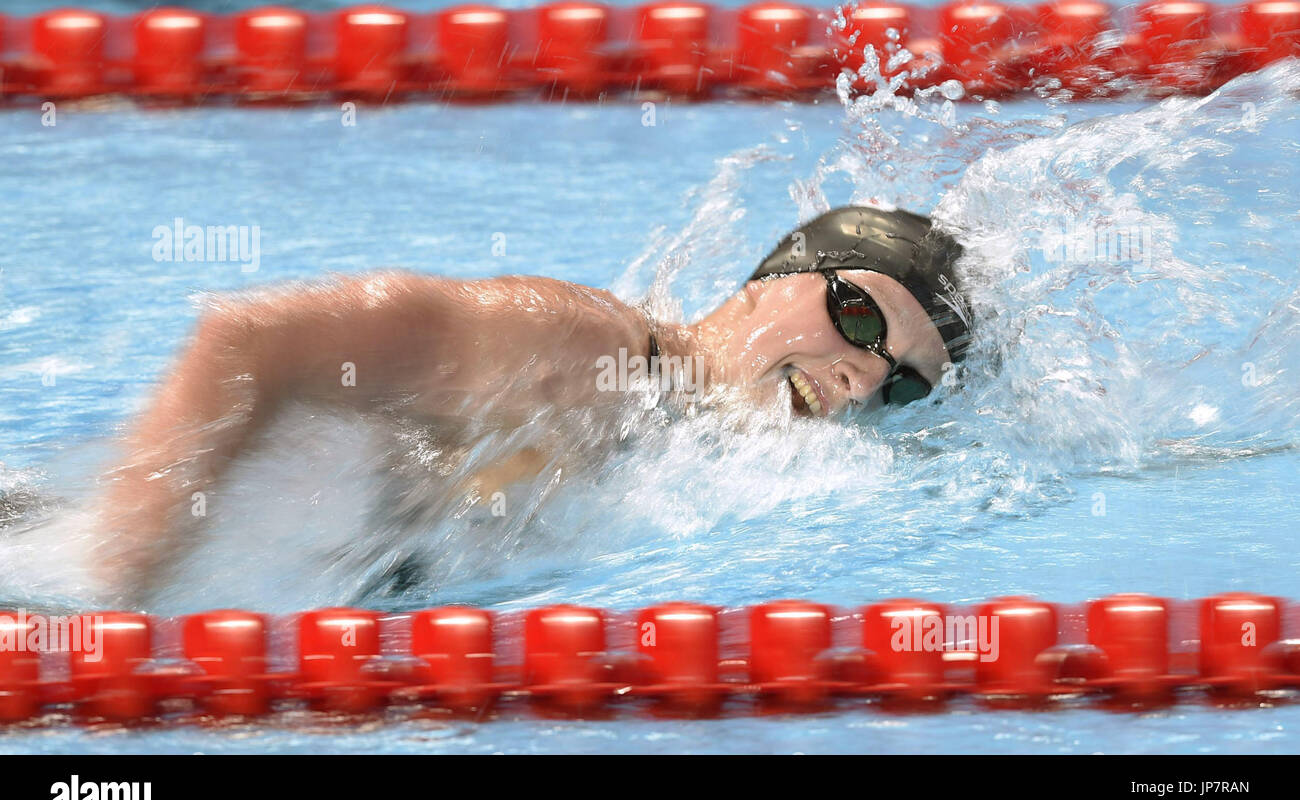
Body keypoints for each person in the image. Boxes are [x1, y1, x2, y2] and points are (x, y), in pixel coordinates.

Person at [95, 206, 974, 603]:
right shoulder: (578, 347)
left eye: (899, 379)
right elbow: (245, 340)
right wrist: (117, 604)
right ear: (772, 279)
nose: (862, 376)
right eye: (859, 314)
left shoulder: (679, 451)